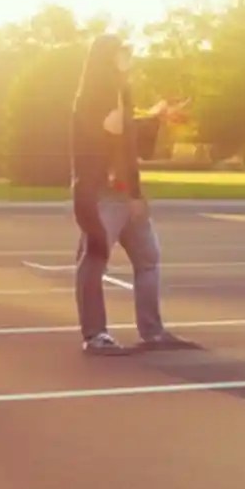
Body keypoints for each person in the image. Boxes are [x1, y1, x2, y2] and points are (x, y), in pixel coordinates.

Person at [70, 33, 195, 355]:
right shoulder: (92, 99)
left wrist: (154, 117)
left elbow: (127, 139)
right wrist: (145, 118)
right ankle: (95, 336)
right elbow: (111, 133)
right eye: (122, 53)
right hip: (100, 194)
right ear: (106, 58)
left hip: (125, 194)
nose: (128, 58)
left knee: (148, 259)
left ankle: (153, 332)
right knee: (94, 260)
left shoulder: (120, 94)